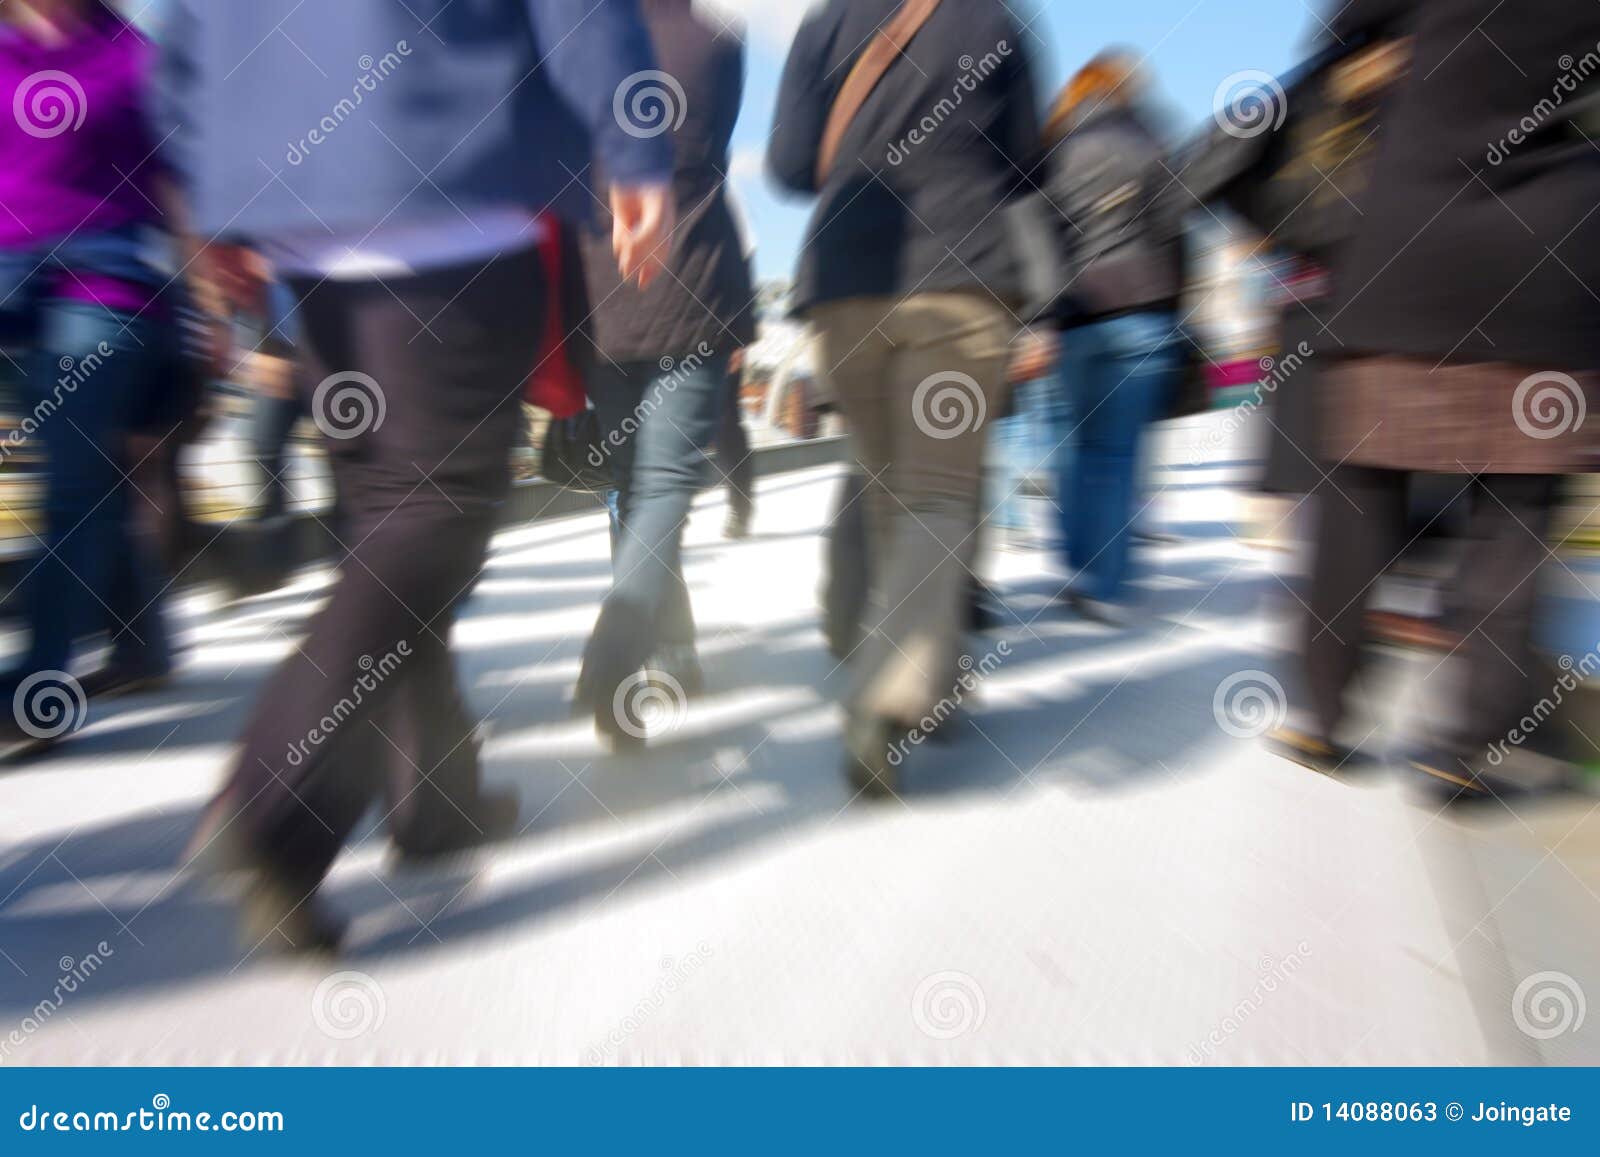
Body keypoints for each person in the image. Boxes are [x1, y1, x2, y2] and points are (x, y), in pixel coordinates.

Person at [168, 0, 675, 953]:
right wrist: (638, 142)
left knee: (384, 516)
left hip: (295, 208)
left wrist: (208, 185)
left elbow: (189, 36)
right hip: (451, 183)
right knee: (433, 510)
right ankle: (277, 801)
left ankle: (433, 797)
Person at [1272, 0, 1600, 800]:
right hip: (1549, 264)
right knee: (1513, 520)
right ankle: (1462, 746)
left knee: (1359, 493)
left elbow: (1335, 36)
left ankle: (1322, 715)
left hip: (1410, 243)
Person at [769, 0, 1040, 795]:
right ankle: (889, 693)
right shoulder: (997, 20)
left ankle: (936, 681)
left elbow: (787, 165)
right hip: (961, 276)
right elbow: (1029, 162)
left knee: (890, 489)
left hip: (847, 278)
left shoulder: (824, 23)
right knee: (939, 494)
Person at [0, 0, 186, 749]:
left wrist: (214, 304)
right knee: (93, 473)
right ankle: (144, 642)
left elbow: (179, 182)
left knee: (71, 479)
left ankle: (35, 688)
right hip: (11, 289)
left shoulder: (133, 54)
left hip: (105, 282)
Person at [572, 0, 754, 749]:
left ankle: (662, 655)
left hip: (601, 286)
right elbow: (720, 144)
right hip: (692, 279)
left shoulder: (582, 43)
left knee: (630, 484)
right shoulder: (719, 37)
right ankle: (621, 650)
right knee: (668, 484)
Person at [1022, 52, 1187, 626]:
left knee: (1070, 446)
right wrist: (1176, 306)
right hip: (1145, 308)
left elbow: (1035, 234)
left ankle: (1075, 564)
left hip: (1074, 313)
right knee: (1119, 454)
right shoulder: (1151, 137)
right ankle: (1108, 588)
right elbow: (1175, 230)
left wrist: (1039, 315)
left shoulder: (1052, 147)